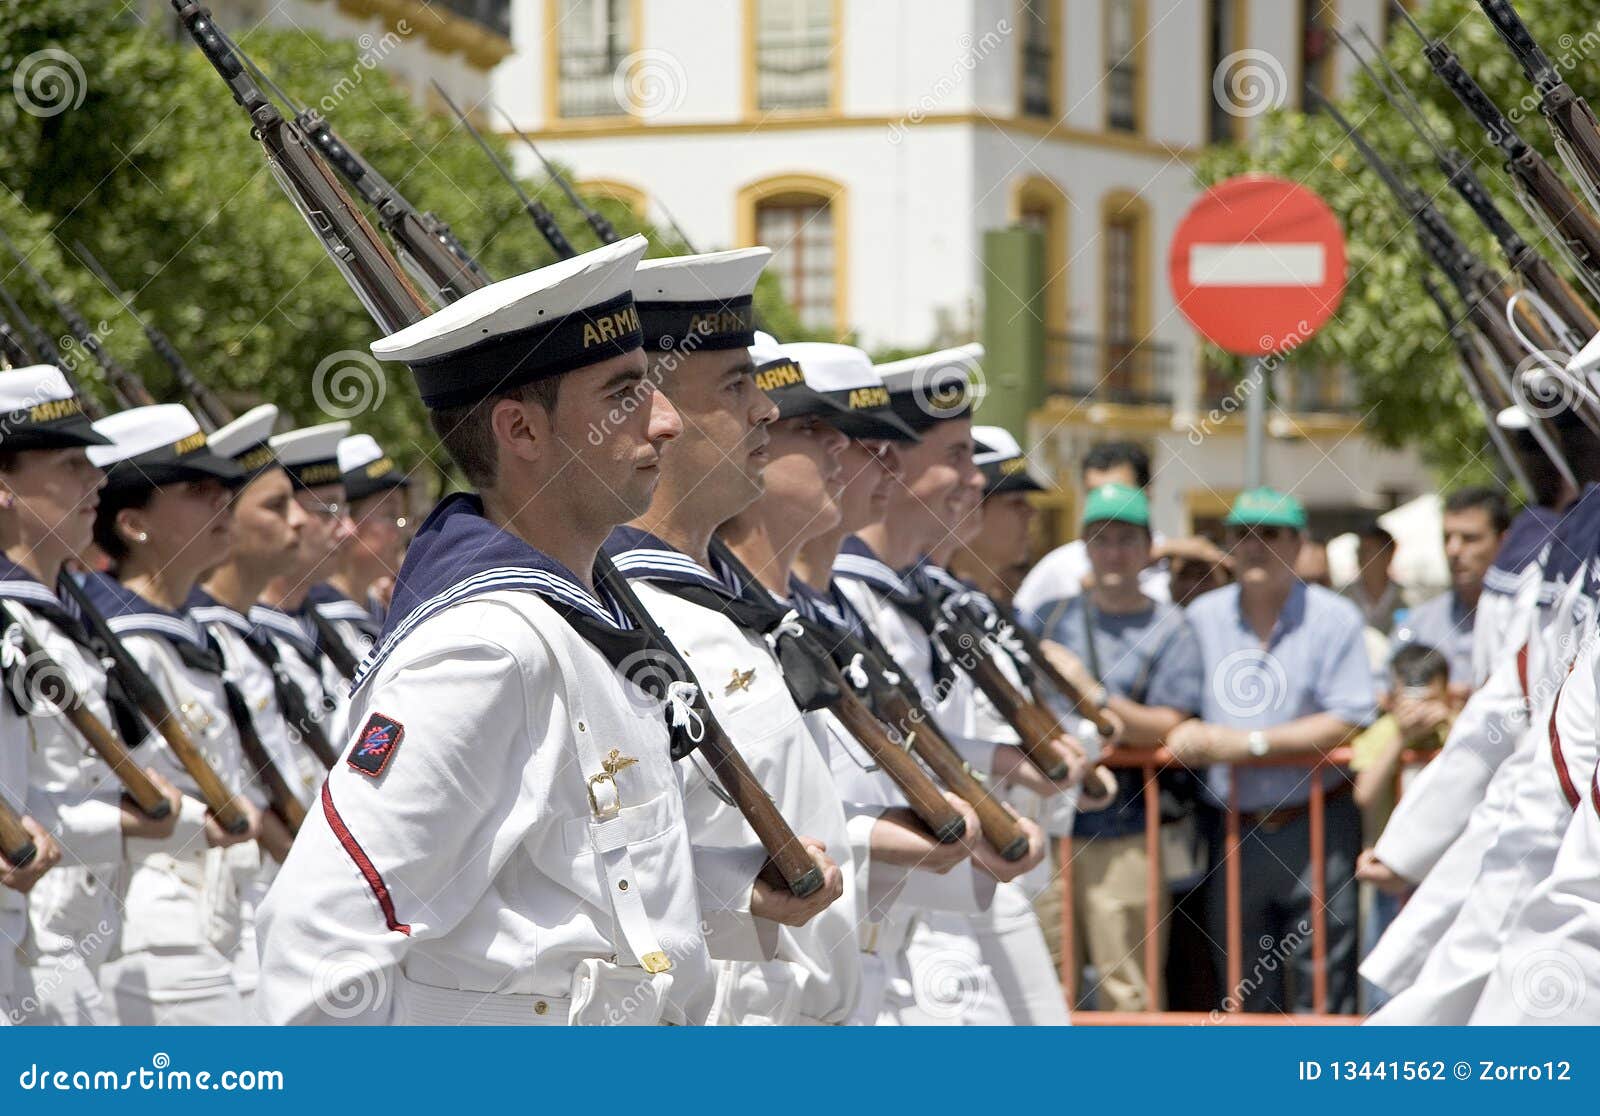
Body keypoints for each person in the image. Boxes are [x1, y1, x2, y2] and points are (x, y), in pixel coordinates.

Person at [254, 236, 833, 1025]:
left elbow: (571, 873)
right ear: (522, 432)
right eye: (625, 394)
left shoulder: (586, 612)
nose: (663, 422)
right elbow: (317, 941)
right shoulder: (486, 648)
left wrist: (733, 890)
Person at [601, 257, 853, 1025]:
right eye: (737, 387)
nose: (766, 413)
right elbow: (601, 867)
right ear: (657, 413)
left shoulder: (728, 603)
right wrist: (740, 889)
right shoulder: (617, 621)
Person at [835, 343, 1062, 1025]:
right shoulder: (844, 597)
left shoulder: (910, 598)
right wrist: (995, 761)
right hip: (888, 915)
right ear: (892, 465)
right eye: (956, 456)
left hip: (949, 895)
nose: (975, 481)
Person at [783, 342, 1006, 1026]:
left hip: (897, 932)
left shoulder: (842, 606)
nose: (976, 482)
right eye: (863, 444)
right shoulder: (806, 607)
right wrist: (879, 833)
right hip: (816, 950)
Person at [84, 403, 271, 1025]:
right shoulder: (123, 641)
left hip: (226, 908)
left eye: (224, 489)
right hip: (159, 919)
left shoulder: (185, 630)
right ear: (134, 522)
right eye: (198, 491)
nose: (222, 504)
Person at [1168, 487, 1375, 1014]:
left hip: (1316, 823)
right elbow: (1171, 703)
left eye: (1271, 534)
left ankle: (1323, 1091)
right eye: (1243, 535)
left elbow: (1348, 717)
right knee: (1240, 985)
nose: (1255, 547)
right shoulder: (1201, 617)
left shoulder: (1336, 617)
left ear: (1300, 544)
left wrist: (1248, 745)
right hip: (1231, 827)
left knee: (1324, 986)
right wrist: (1177, 731)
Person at [1026, 482, 1204, 1012]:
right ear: (1085, 544)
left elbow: (1168, 723)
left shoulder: (1173, 628)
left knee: (1127, 987)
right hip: (1047, 819)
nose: (1114, 551)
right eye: (1101, 538)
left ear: (1149, 550)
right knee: (1041, 975)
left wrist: (1092, 694)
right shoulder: (1048, 617)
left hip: (1127, 827)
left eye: (1127, 539)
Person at [191, 404, 326, 1013]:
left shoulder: (252, 634)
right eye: (276, 506)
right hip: (238, 899)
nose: (300, 520)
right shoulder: (200, 637)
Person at [0, 366, 121, 1024]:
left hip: (56, 942)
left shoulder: (52, 619)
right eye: (72, 463)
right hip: (41, 932)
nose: (97, 480)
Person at [1350, 643, 1452, 959]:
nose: (1419, 714)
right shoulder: (1385, 732)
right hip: (1392, 872)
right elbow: (1364, 794)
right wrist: (1401, 739)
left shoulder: (1457, 728)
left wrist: (1452, 721)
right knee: (1385, 962)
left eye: (1430, 702)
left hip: (1446, 871)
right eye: (1411, 703)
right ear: (1392, 699)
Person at [252, 423, 353, 724]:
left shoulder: (339, 628)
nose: (348, 530)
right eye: (327, 510)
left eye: (344, 510)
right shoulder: (245, 636)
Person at [1013, 441, 1168, 613]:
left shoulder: (1179, 566)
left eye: (1119, 492)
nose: (1106, 503)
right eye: (1094, 493)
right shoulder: (1059, 568)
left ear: (1147, 492)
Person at [1390, 487, 1509, 695]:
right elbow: (1387, 692)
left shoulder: (1528, 621)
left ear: (1503, 542)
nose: (1453, 550)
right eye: (1447, 538)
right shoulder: (1418, 625)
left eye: (1469, 538)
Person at [304, 433, 410, 662]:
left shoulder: (382, 614)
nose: (401, 529)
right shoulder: (316, 620)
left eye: (402, 516)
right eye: (390, 515)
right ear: (347, 520)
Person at [1343, 520, 1402, 635]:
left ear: (1388, 555)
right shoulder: (1342, 599)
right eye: (1359, 551)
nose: (1360, 558)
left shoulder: (1410, 600)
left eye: (1367, 551)